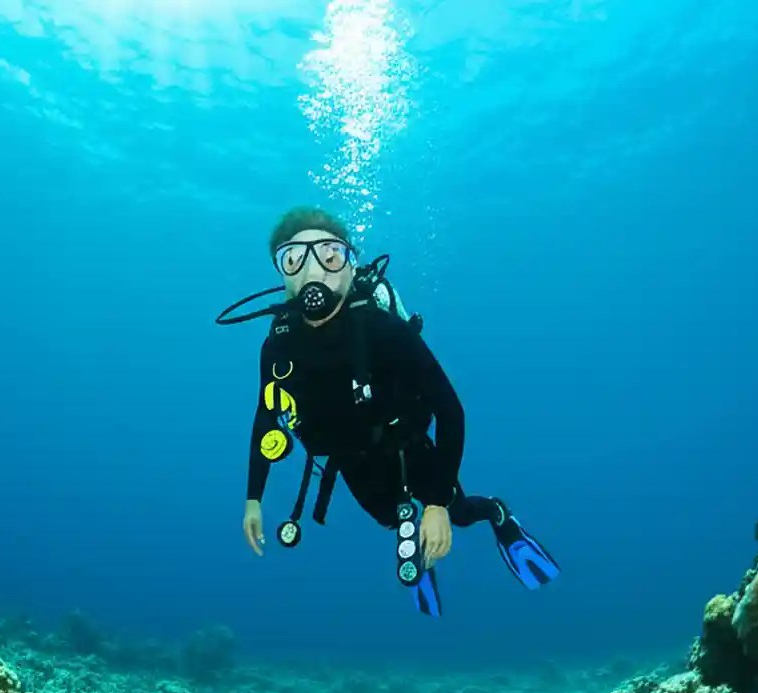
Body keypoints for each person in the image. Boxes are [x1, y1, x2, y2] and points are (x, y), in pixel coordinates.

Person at [215, 207, 561, 616]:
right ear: (282, 274)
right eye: (294, 258)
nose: (314, 272)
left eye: (329, 255)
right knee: (392, 519)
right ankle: (412, 543)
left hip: (406, 445)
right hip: (347, 460)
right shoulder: (278, 346)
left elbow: (450, 411)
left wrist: (434, 503)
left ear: (350, 264)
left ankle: (498, 514)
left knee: (458, 513)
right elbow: (266, 416)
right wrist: (253, 499)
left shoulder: (385, 330)